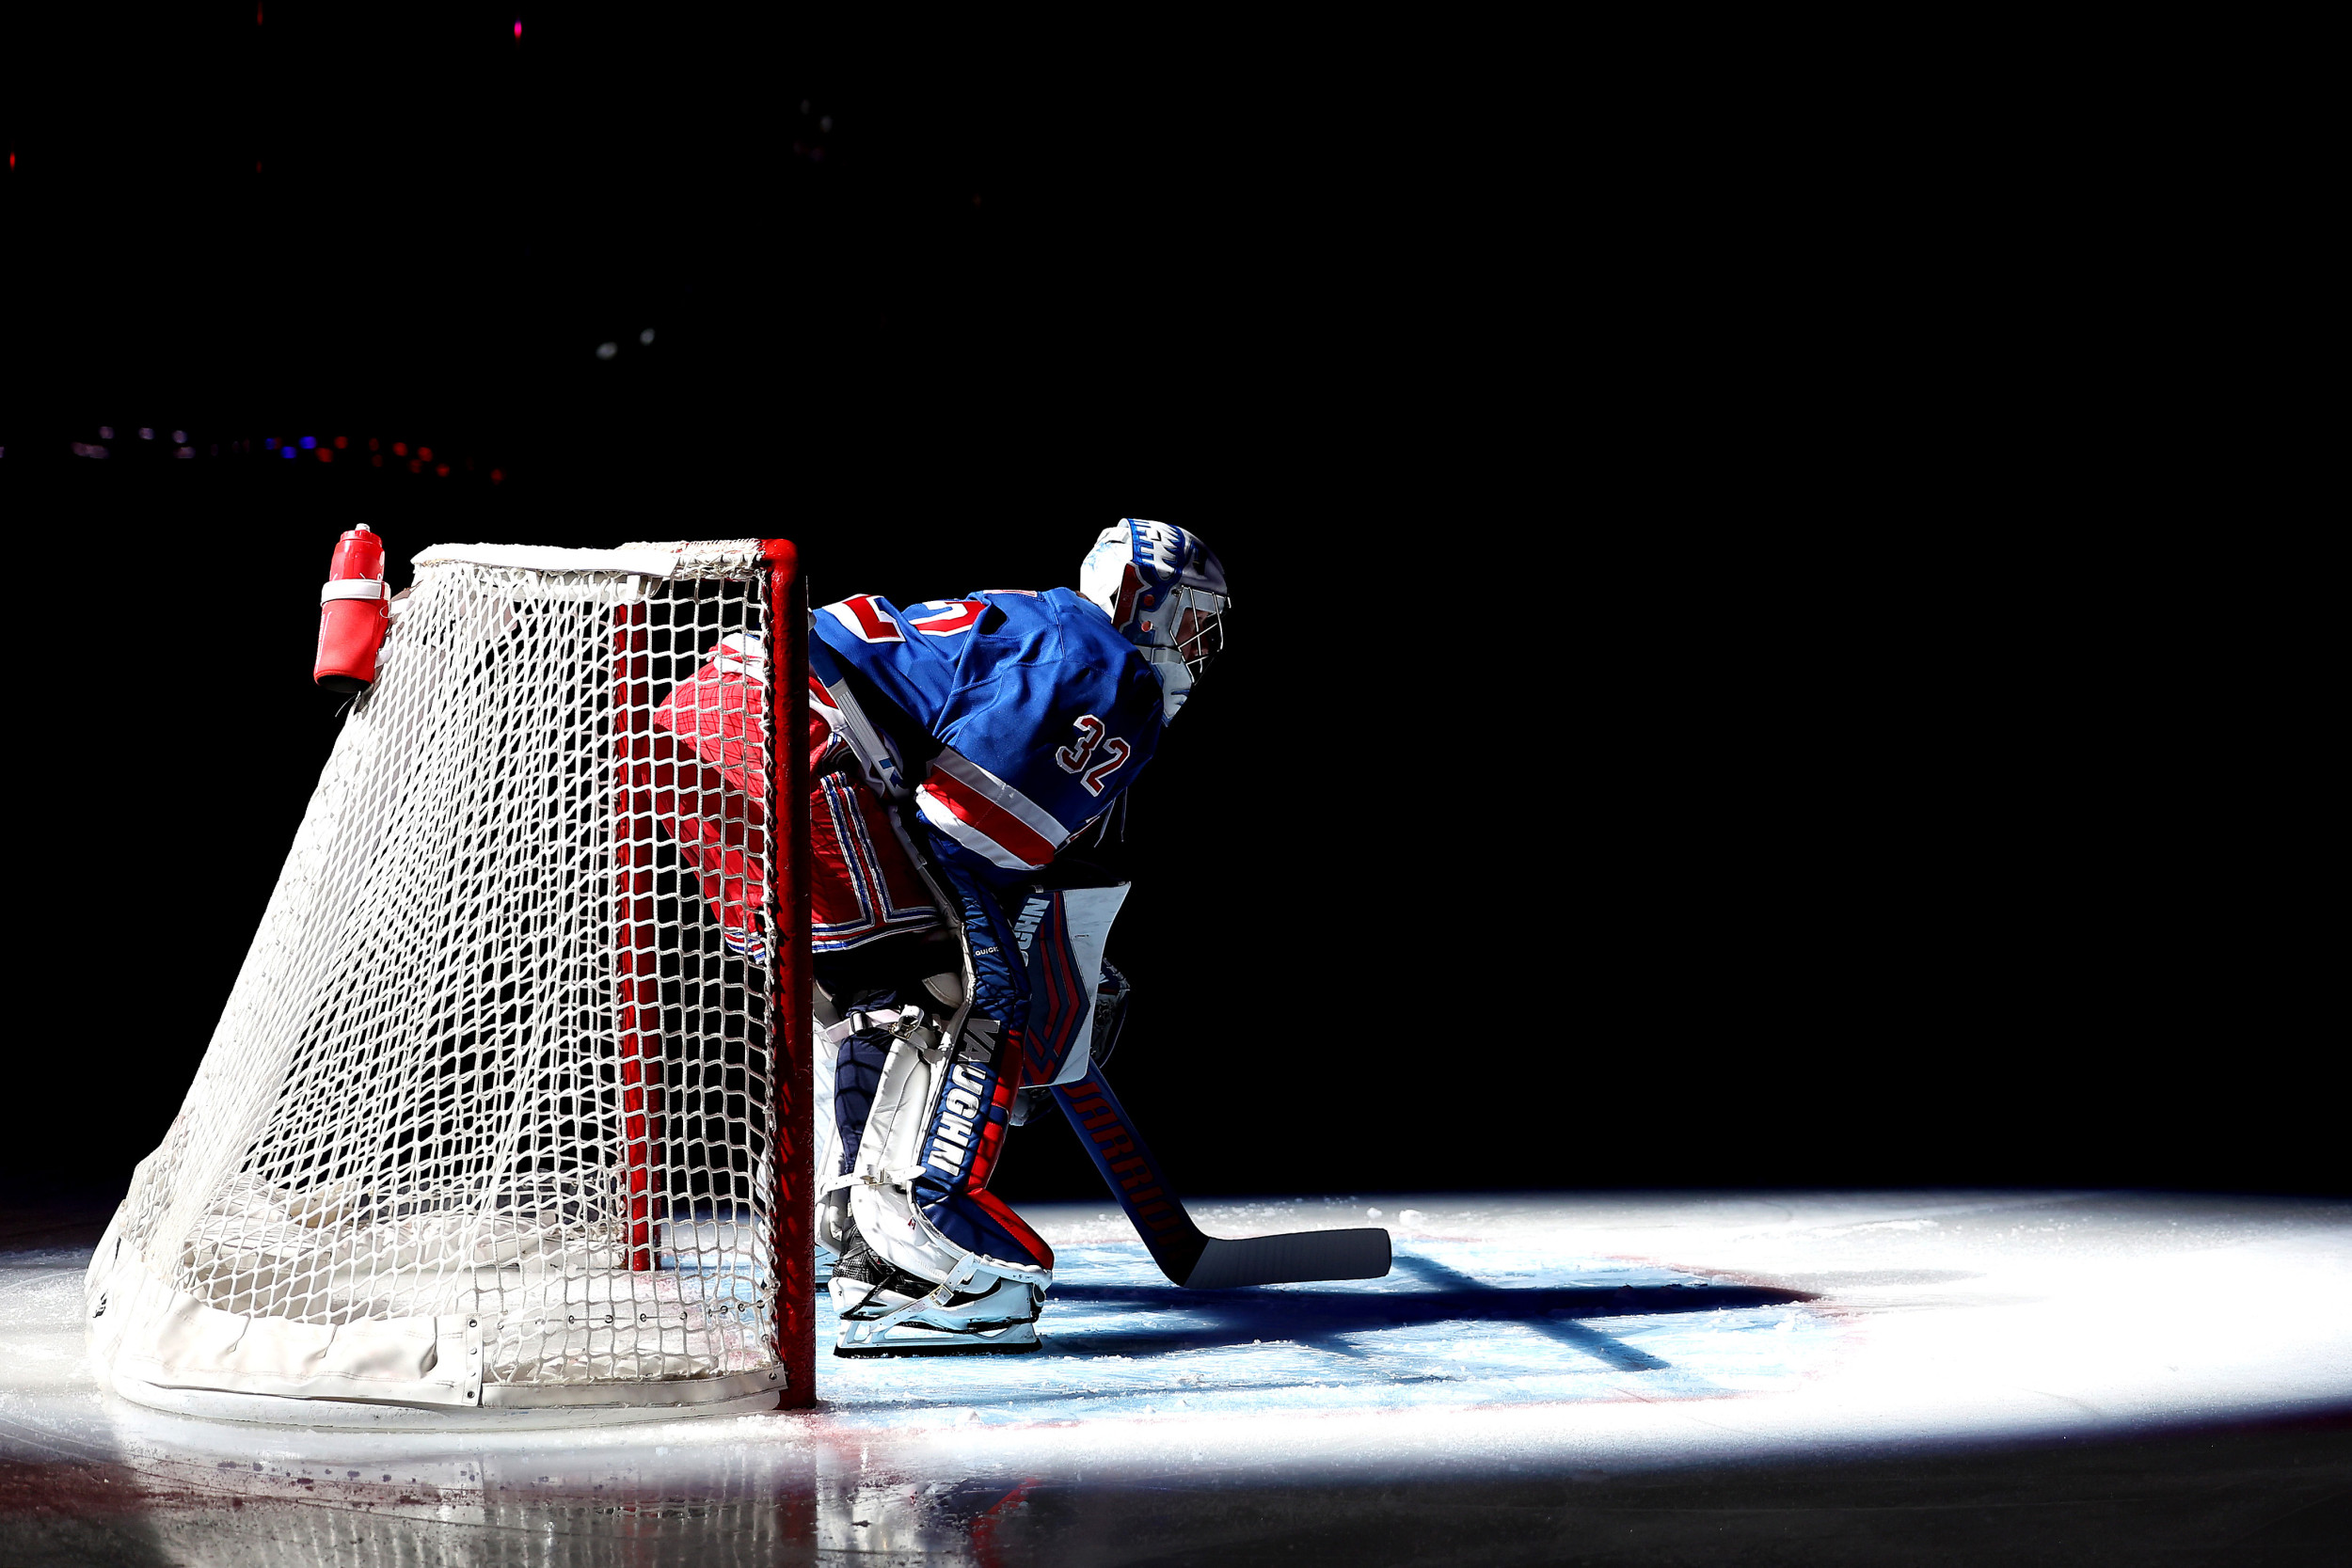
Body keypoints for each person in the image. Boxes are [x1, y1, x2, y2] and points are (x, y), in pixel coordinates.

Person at [663, 519, 1230, 1354]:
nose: (1194, 647)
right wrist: (1034, 956)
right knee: (975, 988)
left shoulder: (1039, 623)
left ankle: (835, 1217)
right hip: (797, 731)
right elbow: (965, 822)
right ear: (1139, 598)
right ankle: (921, 1254)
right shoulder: (1105, 665)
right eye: (1191, 621)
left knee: (857, 989)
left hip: (705, 722)